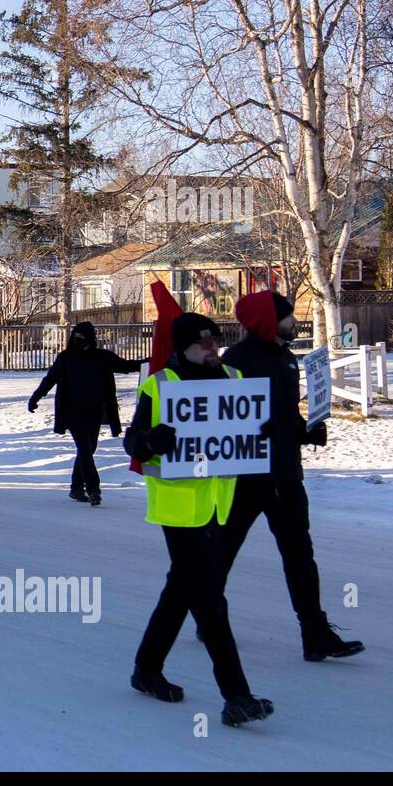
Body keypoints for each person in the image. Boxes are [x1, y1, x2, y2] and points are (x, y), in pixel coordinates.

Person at [124, 313, 274, 727]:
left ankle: (146, 669)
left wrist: (267, 431)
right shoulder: (161, 385)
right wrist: (152, 441)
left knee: (180, 591)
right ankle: (237, 696)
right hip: (179, 509)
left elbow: (250, 427)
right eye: (204, 341)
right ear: (183, 346)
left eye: (216, 339)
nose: (213, 347)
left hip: (218, 505)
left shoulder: (234, 377)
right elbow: (132, 442)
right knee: (210, 601)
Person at [220, 291, 364, 662]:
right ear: (270, 320)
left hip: (285, 474)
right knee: (221, 552)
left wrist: (307, 432)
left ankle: (315, 633)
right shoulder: (236, 360)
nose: (293, 321)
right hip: (246, 477)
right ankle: (208, 617)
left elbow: (285, 416)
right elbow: (224, 419)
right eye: (286, 316)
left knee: (300, 555)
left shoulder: (286, 359)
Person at [28, 321, 146, 506]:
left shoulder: (101, 357)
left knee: (88, 450)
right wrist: (35, 397)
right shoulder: (65, 358)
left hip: (95, 411)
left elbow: (126, 366)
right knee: (84, 449)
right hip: (72, 412)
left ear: (91, 338)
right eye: (76, 336)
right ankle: (93, 489)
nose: (78, 340)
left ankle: (76, 487)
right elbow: (50, 379)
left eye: (82, 337)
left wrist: (152, 362)